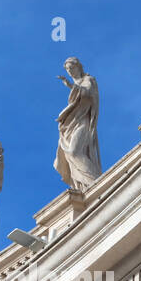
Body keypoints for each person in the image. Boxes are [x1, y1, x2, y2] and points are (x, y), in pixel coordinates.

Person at [54, 58, 102, 191]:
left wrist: (71, 86)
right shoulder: (77, 84)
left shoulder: (89, 80)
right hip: (71, 125)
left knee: (74, 152)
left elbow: (88, 94)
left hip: (83, 122)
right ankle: (81, 186)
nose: (70, 71)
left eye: (71, 68)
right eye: (68, 70)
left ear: (79, 67)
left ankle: (95, 182)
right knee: (70, 154)